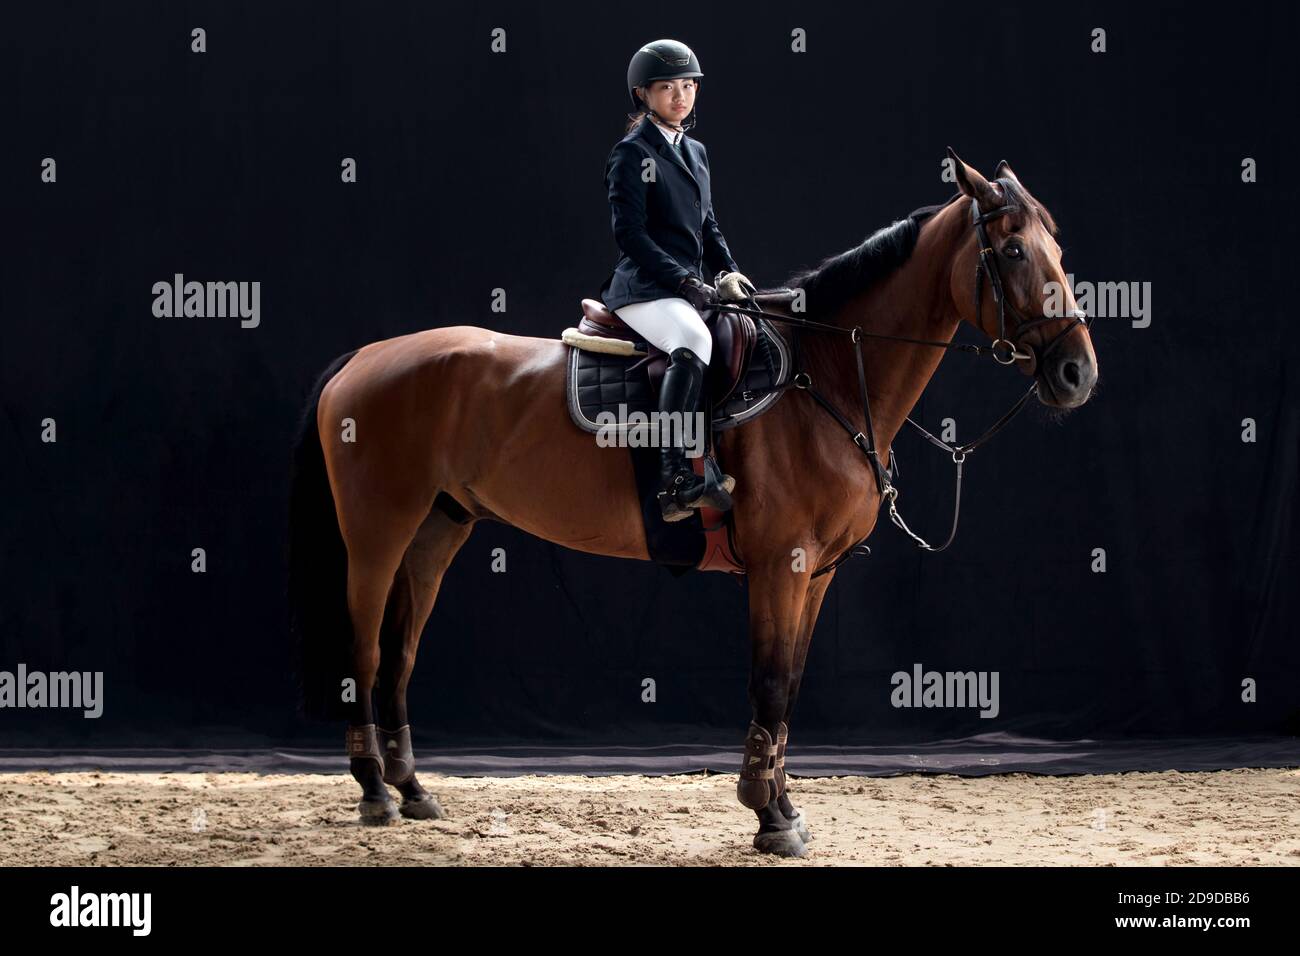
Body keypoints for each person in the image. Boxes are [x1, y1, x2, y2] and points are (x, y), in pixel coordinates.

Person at [599, 38, 757, 523]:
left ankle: (710, 457)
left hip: (684, 287)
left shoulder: (696, 151)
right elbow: (631, 235)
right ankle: (675, 480)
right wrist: (687, 281)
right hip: (643, 288)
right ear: (643, 95)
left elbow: (707, 225)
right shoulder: (631, 154)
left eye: (688, 86)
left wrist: (728, 271)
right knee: (692, 338)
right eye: (667, 88)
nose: (681, 96)